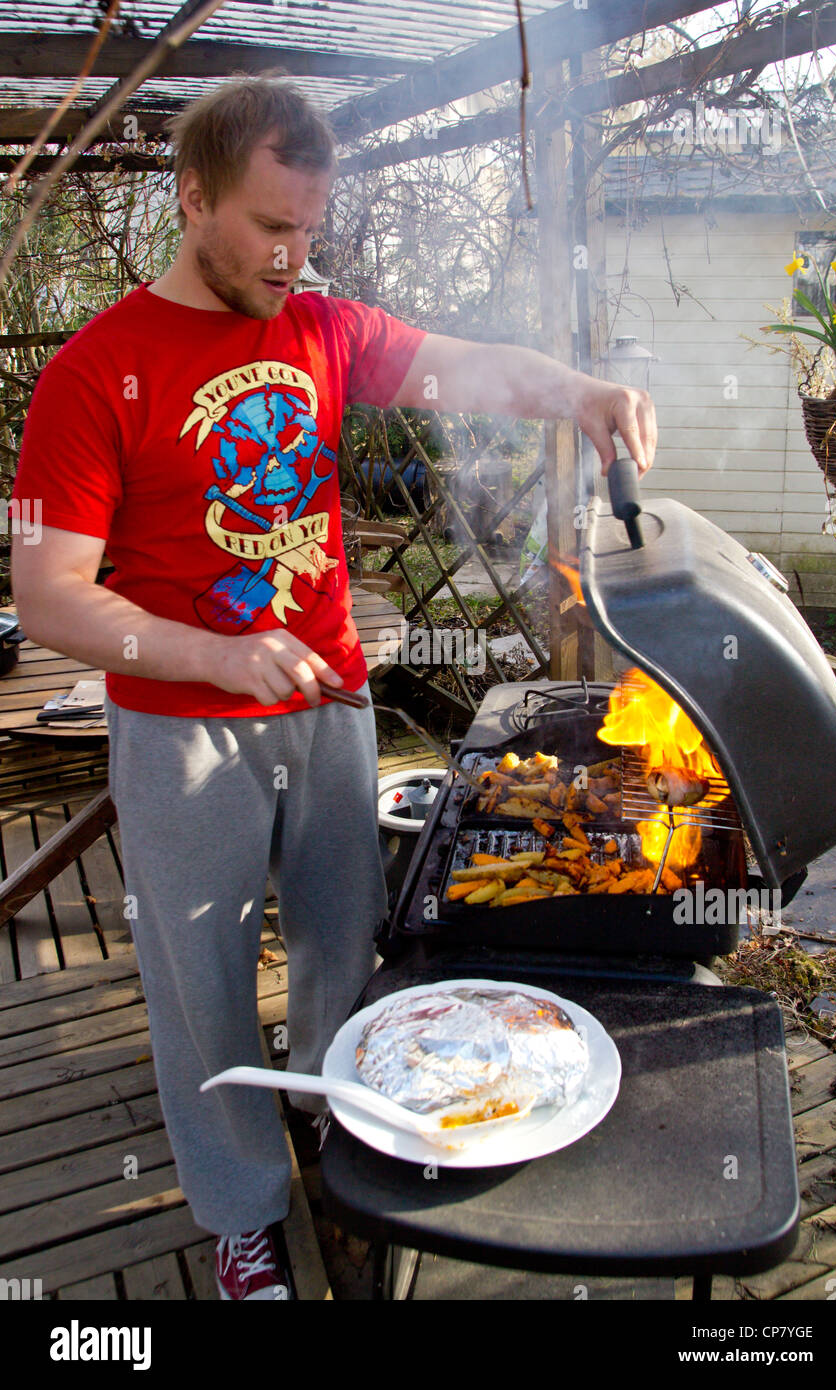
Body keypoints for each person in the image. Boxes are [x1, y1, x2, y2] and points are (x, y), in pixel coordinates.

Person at [10, 77, 656, 1301]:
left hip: (327, 703)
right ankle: (241, 1209)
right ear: (193, 198)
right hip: (181, 726)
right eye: (267, 226)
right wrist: (214, 652)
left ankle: (343, 1132)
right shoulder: (94, 374)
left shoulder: (317, 324)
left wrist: (575, 391)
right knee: (199, 985)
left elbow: (456, 367)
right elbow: (48, 596)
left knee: (338, 949)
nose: (292, 255)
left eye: (309, 228)